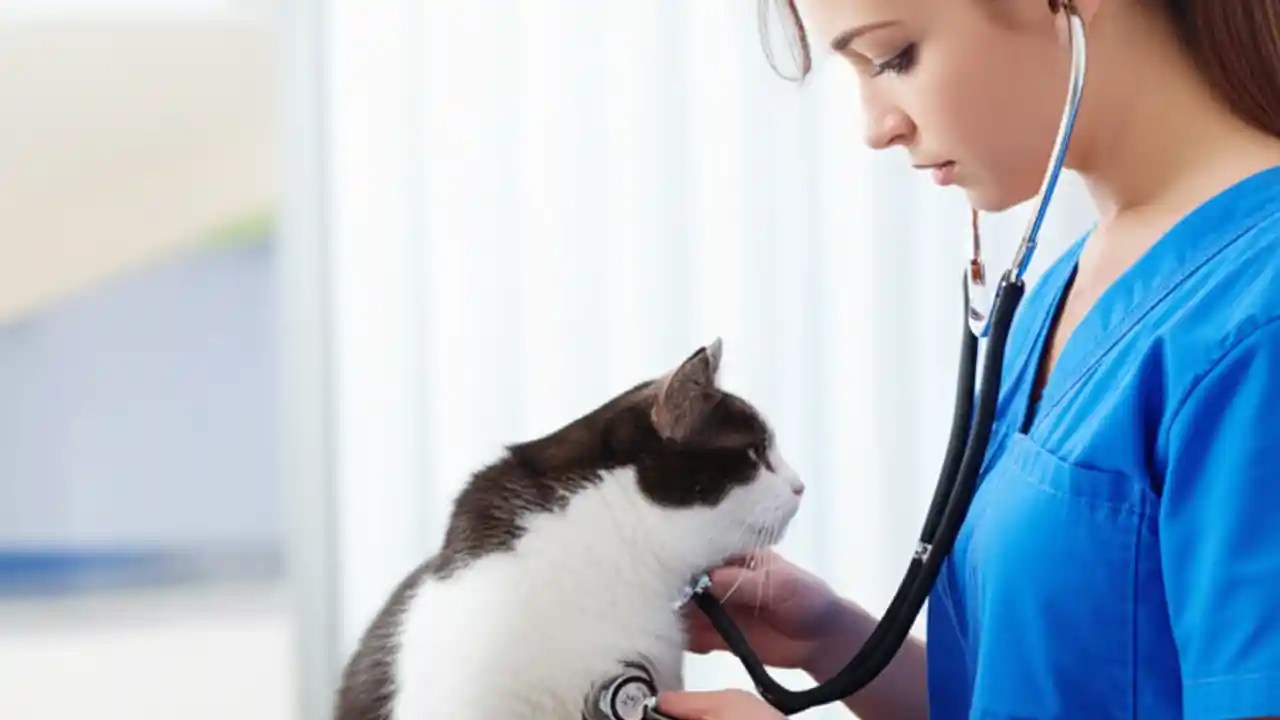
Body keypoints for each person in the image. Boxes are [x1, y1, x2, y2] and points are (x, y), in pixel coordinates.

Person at [653, 0, 1280, 718]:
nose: (876, 127)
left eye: (895, 58)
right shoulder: (1064, 288)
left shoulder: (1258, 323)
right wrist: (837, 642)